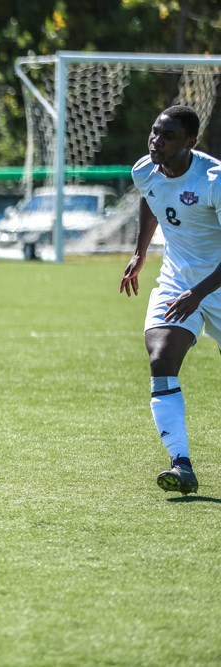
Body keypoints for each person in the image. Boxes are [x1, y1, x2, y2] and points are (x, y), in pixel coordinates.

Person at [120, 104, 221, 496]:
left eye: (168, 136)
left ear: (190, 142)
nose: (156, 141)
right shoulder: (144, 169)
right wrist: (140, 252)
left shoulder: (214, 179)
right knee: (161, 358)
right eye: (155, 132)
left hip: (215, 284)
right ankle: (181, 464)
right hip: (178, 281)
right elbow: (150, 196)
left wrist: (199, 294)